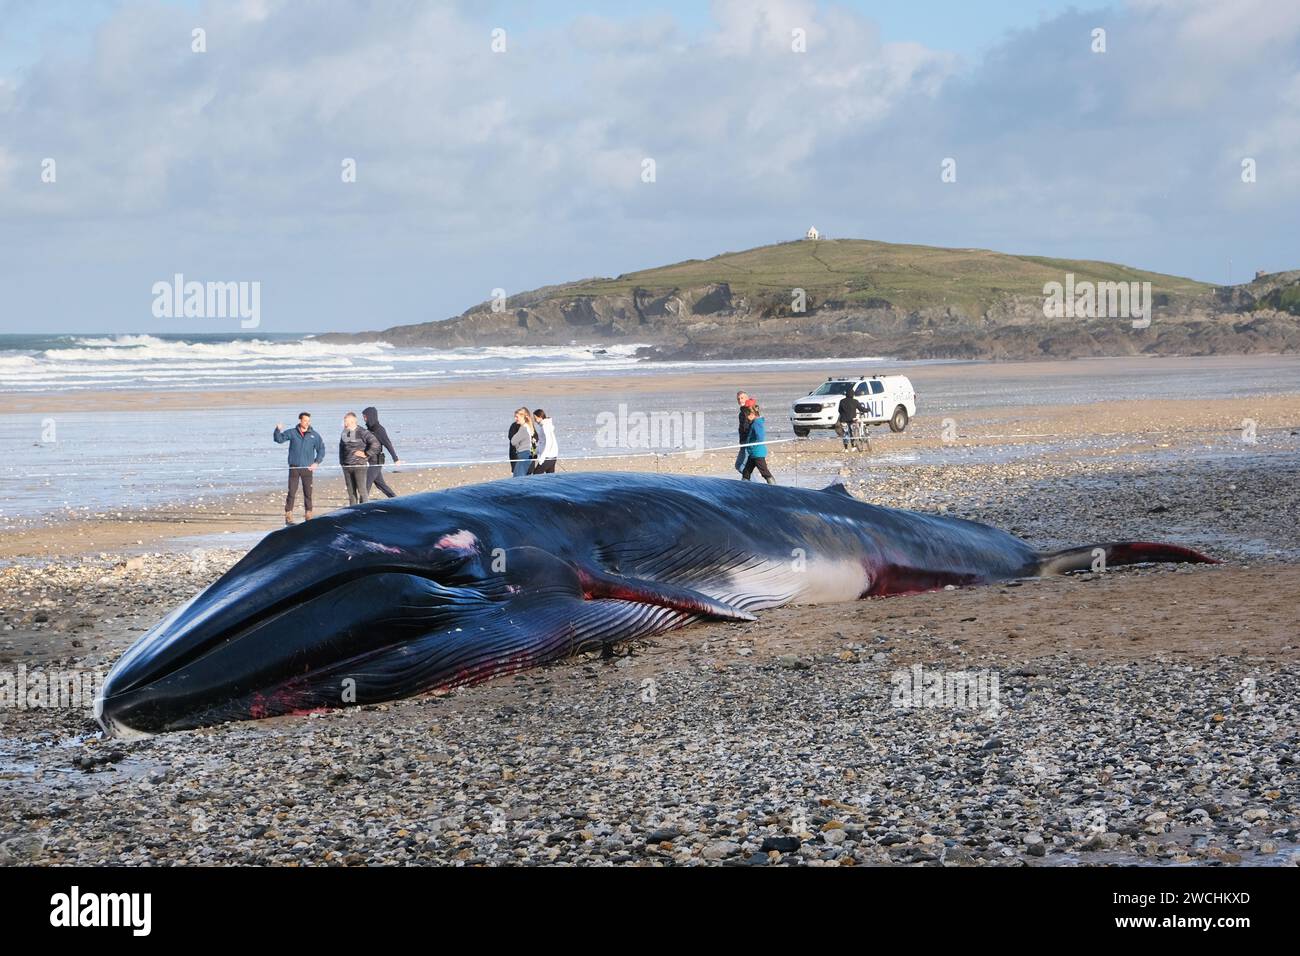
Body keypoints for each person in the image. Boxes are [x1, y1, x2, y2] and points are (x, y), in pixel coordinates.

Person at [274, 412, 325, 525]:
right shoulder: (292, 432)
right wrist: (277, 429)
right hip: (294, 467)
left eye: (308, 421)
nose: (307, 423)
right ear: (300, 421)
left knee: (308, 492)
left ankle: (308, 513)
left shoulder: (314, 435)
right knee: (292, 491)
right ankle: (288, 513)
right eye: (305, 420)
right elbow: (279, 439)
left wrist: (316, 462)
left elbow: (321, 449)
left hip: (307, 468)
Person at [361, 406, 402, 499]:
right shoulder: (369, 430)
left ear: (371, 416)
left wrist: (395, 459)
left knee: (366, 483)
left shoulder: (379, 430)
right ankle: (395, 499)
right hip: (370, 460)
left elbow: (388, 444)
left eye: (365, 417)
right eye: (363, 417)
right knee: (380, 484)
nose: (364, 419)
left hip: (376, 461)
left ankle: (362, 503)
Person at [339, 411, 379, 505]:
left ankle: (364, 511)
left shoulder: (363, 432)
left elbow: (376, 444)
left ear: (353, 422)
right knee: (351, 493)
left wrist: (366, 454)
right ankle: (352, 511)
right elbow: (342, 448)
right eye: (344, 421)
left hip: (359, 466)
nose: (344, 424)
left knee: (362, 491)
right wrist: (342, 462)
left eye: (346, 422)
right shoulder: (345, 432)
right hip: (346, 466)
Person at [740, 403, 775, 484]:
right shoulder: (754, 422)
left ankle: (774, 487)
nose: (746, 418)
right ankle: (744, 487)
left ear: (752, 414)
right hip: (753, 453)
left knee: (764, 472)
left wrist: (753, 444)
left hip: (757, 453)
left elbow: (760, 436)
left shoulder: (756, 423)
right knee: (746, 472)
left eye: (747, 416)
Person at [508, 407, 536, 477]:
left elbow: (513, 441)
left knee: (518, 478)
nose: (515, 419)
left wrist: (517, 443)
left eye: (517, 417)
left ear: (523, 417)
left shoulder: (524, 428)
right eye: (515, 417)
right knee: (520, 477)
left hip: (524, 455)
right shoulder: (529, 426)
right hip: (526, 454)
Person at [735, 390, 756, 473]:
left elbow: (752, 426)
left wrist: (748, 441)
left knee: (740, 466)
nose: (740, 400)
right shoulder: (743, 411)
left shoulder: (749, 410)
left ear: (747, 398)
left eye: (742, 398)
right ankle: (750, 482)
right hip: (744, 442)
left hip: (748, 442)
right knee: (745, 467)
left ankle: (751, 483)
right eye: (738, 399)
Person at [532, 408, 559, 473]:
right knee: (550, 477)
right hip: (552, 456)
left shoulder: (545, 426)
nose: (535, 420)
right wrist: (536, 451)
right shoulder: (544, 425)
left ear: (540, 417)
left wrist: (543, 457)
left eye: (535, 418)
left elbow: (549, 442)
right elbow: (542, 442)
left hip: (548, 457)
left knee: (536, 474)